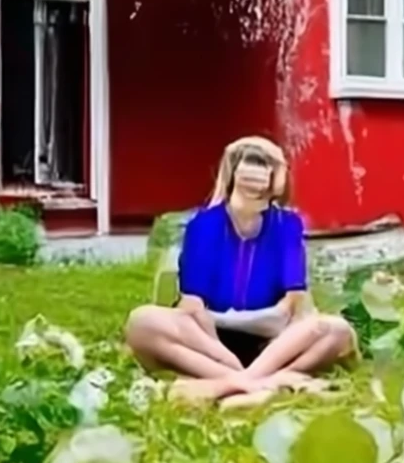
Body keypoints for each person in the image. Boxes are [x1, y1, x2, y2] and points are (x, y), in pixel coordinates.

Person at [124, 136, 356, 404]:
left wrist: (267, 323)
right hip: (208, 342)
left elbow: (291, 304)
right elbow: (193, 306)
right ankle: (261, 384)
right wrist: (224, 354)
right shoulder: (204, 225)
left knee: (335, 330)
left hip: (272, 342)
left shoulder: (287, 226)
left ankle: (231, 385)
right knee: (142, 322)